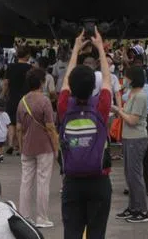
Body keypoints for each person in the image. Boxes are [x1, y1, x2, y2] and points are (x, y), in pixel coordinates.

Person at [57, 30, 113, 239]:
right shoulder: (101, 107)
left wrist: (76, 49)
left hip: (72, 179)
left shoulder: (64, 106)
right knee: (96, 233)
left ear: (71, 86)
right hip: (99, 180)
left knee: (71, 232)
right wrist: (100, 47)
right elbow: (107, 79)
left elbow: (65, 82)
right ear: (93, 88)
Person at [16, 68, 56, 229]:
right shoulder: (45, 101)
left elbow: (19, 128)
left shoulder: (22, 101)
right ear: (42, 82)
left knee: (26, 182)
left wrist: (20, 146)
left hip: (27, 146)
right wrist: (56, 147)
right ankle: (42, 217)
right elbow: (51, 127)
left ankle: (24, 216)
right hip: (44, 146)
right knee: (43, 182)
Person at [113, 66, 148, 223]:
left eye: (126, 77)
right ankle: (133, 207)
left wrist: (118, 111)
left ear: (132, 78)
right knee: (129, 174)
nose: (124, 80)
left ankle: (142, 210)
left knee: (135, 175)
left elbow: (133, 120)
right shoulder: (132, 94)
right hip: (129, 138)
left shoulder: (140, 96)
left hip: (137, 138)